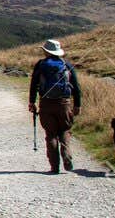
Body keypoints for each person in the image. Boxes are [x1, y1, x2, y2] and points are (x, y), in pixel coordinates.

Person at [28, 39, 82, 174]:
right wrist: (77, 105)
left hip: (46, 103)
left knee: (50, 134)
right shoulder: (66, 64)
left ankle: (54, 167)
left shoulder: (41, 65)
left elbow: (34, 84)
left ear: (46, 51)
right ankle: (67, 155)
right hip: (64, 103)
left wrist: (32, 102)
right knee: (65, 130)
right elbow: (76, 86)